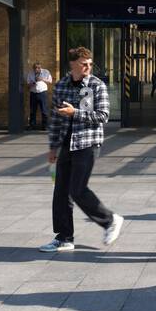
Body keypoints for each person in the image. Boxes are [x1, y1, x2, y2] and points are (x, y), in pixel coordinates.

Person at [41, 46, 125, 252]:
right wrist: (53, 147)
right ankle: (64, 237)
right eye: (83, 63)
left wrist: (75, 113)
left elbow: (103, 115)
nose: (87, 67)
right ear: (72, 64)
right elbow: (55, 120)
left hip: (87, 143)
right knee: (60, 191)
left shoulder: (97, 86)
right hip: (65, 144)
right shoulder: (61, 85)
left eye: (89, 63)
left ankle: (110, 220)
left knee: (77, 190)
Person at [26, 61, 52, 130]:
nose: (37, 69)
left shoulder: (46, 72)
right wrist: (32, 83)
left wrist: (42, 79)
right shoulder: (30, 73)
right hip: (33, 93)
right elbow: (28, 85)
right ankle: (32, 125)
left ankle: (45, 126)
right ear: (33, 68)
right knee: (32, 110)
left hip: (42, 93)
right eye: (35, 68)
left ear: (41, 68)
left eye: (38, 68)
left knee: (44, 110)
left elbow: (50, 81)